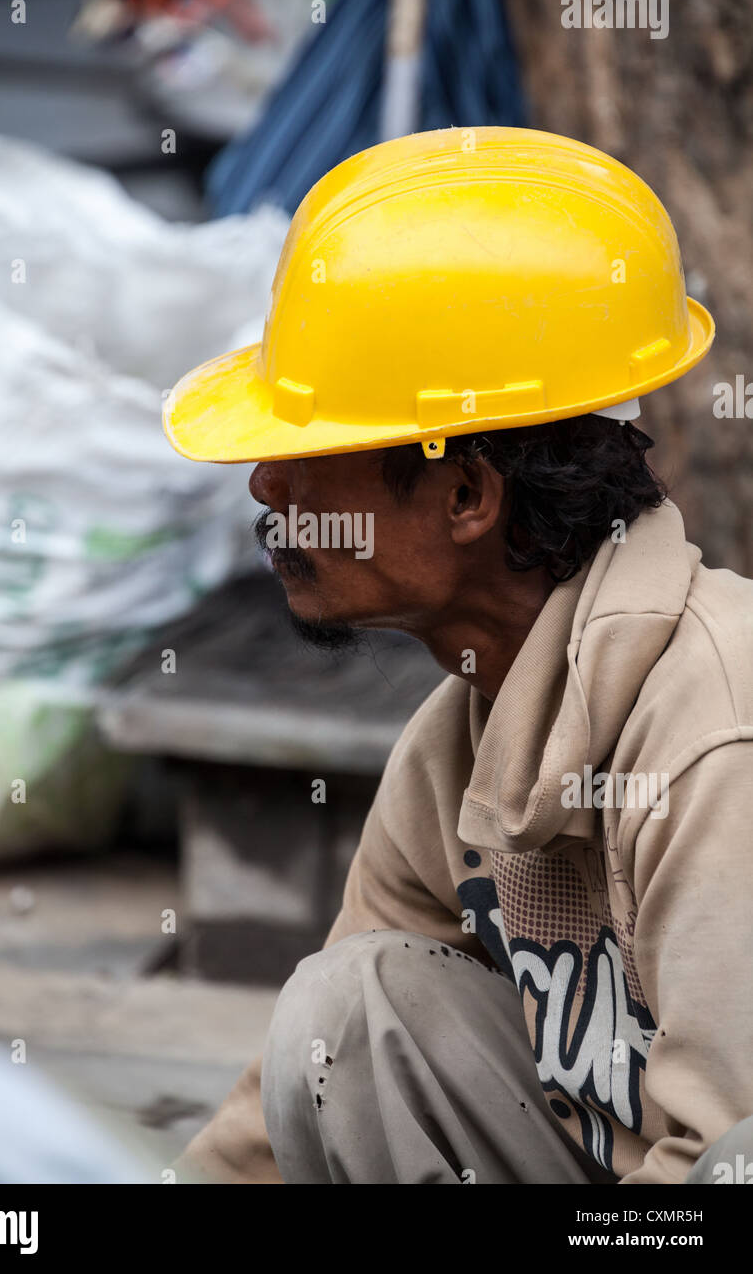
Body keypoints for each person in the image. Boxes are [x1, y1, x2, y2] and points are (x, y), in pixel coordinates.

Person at [162, 127, 753, 1185]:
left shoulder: (717, 732)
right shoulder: (457, 745)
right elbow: (264, 1125)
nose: (265, 488)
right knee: (346, 1012)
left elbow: (717, 1158)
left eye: (308, 452)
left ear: (468, 495)